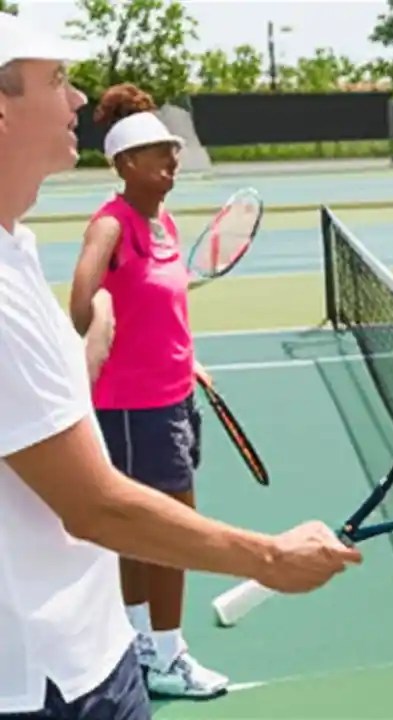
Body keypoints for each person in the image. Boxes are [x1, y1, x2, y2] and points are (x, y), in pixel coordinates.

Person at [0, 13, 361, 719]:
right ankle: (163, 645)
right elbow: (95, 505)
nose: (79, 101)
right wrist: (268, 558)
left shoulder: (18, 250)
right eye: (58, 81)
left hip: (84, 653)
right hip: (54, 681)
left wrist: (96, 341)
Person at [66, 83, 220, 698]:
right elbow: (81, 303)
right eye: (159, 152)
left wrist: (190, 361)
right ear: (126, 163)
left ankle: (138, 642)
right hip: (133, 406)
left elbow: (162, 308)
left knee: (143, 526)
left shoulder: (164, 223)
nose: (172, 161)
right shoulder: (111, 225)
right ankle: (167, 653)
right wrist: (99, 317)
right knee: (169, 528)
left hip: (172, 394)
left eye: (174, 151)